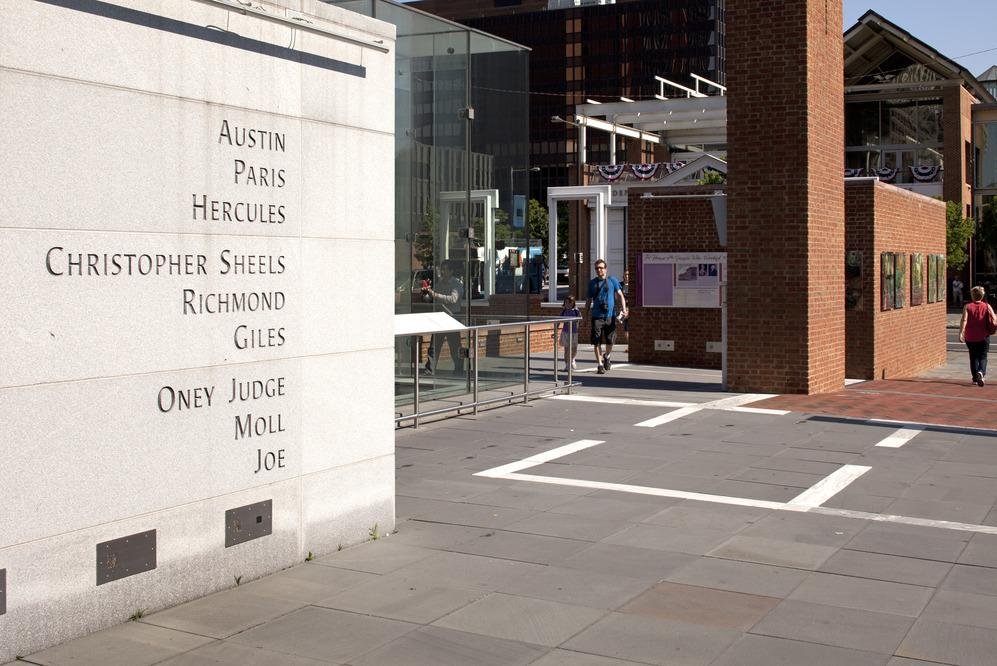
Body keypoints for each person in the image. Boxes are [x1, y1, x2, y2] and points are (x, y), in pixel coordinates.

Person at [585, 259, 627, 374]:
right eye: (597, 268)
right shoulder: (592, 283)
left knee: (610, 341)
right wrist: (585, 315)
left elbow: (620, 295)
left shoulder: (612, 280)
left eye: (601, 268)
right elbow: (588, 300)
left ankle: (607, 356)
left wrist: (624, 309)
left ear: (606, 269)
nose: (599, 270)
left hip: (610, 316)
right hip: (597, 316)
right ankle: (599, 365)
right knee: (596, 342)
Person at [423, 261, 465, 375]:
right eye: (441, 269)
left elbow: (453, 299)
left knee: (455, 346)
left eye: (445, 269)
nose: (442, 272)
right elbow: (432, 299)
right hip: (440, 318)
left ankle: (459, 369)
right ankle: (430, 368)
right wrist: (426, 293)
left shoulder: (457, 284)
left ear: (451, 271)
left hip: (452, 317)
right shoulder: (439, 284)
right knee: (434, 346)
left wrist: (434, 295)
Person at [959, 285, 997, 386]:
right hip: (984, 336)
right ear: (982, 295)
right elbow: (994, 319)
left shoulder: (967, 306)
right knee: (983, 356)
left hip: (970, 337)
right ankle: (981, 372)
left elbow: (964, 320)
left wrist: (961, 333)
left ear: (972, 295)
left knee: (973, 357)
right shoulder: (987, 306)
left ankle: (975, 378)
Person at [559, 295, 581, 371]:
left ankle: (572, 359)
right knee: (567, 349)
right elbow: (559, 320)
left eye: (569, 303)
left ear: (573, 303)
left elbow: (580, 318)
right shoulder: (564, 311)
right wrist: (556, 329)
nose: (567, 304)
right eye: (566, 302)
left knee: (574, 348)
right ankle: (567, 364)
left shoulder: (575, 310)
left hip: (574, 332)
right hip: (565, 332)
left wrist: (577, 312)